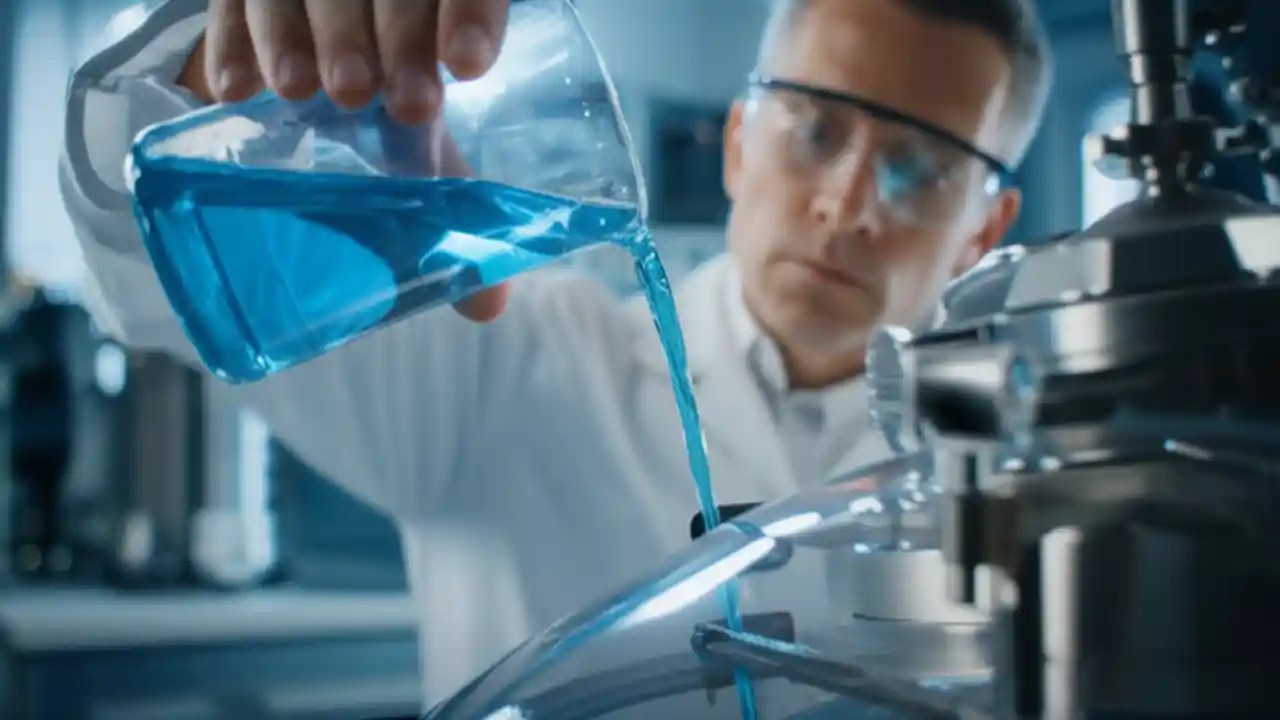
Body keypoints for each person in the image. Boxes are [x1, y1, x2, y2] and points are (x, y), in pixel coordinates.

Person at [59, 0, 1053, 706]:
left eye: (921, 167)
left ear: (984, 228)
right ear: (738, 143)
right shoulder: (503, 360)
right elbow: (151, 282)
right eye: (817, 130)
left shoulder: (1029, 475)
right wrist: (213, 68)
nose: (847, 204)